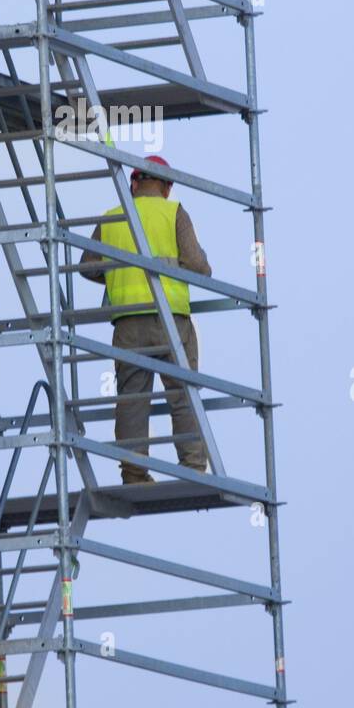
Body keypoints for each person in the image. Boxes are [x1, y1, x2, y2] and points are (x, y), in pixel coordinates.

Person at [80, 155, 211, 484]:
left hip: (127, 324)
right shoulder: (173, 212)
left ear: (134, 183)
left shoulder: (112, 217)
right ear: (166, 186)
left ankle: (134, 472)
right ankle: (193, 468)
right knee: (183, 393)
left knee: (132, 398)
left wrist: (118, 275)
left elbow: (87, 266)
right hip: (171, 319)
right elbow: (198, 266)